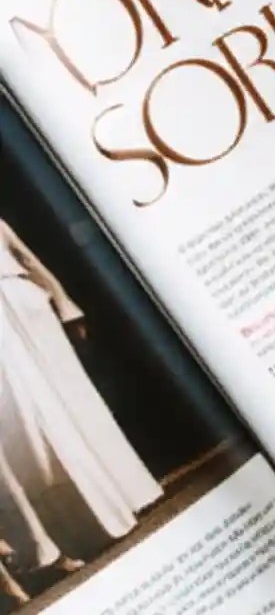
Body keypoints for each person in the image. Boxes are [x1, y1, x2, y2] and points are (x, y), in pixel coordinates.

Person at [0, 217, 162, 574]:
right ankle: (100, 512)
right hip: (14, 313)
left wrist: (64, 302)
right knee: (42, 420)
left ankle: (131, 491)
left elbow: (24, 256)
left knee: (72, 403)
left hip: (22, 302)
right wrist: (63, 302)